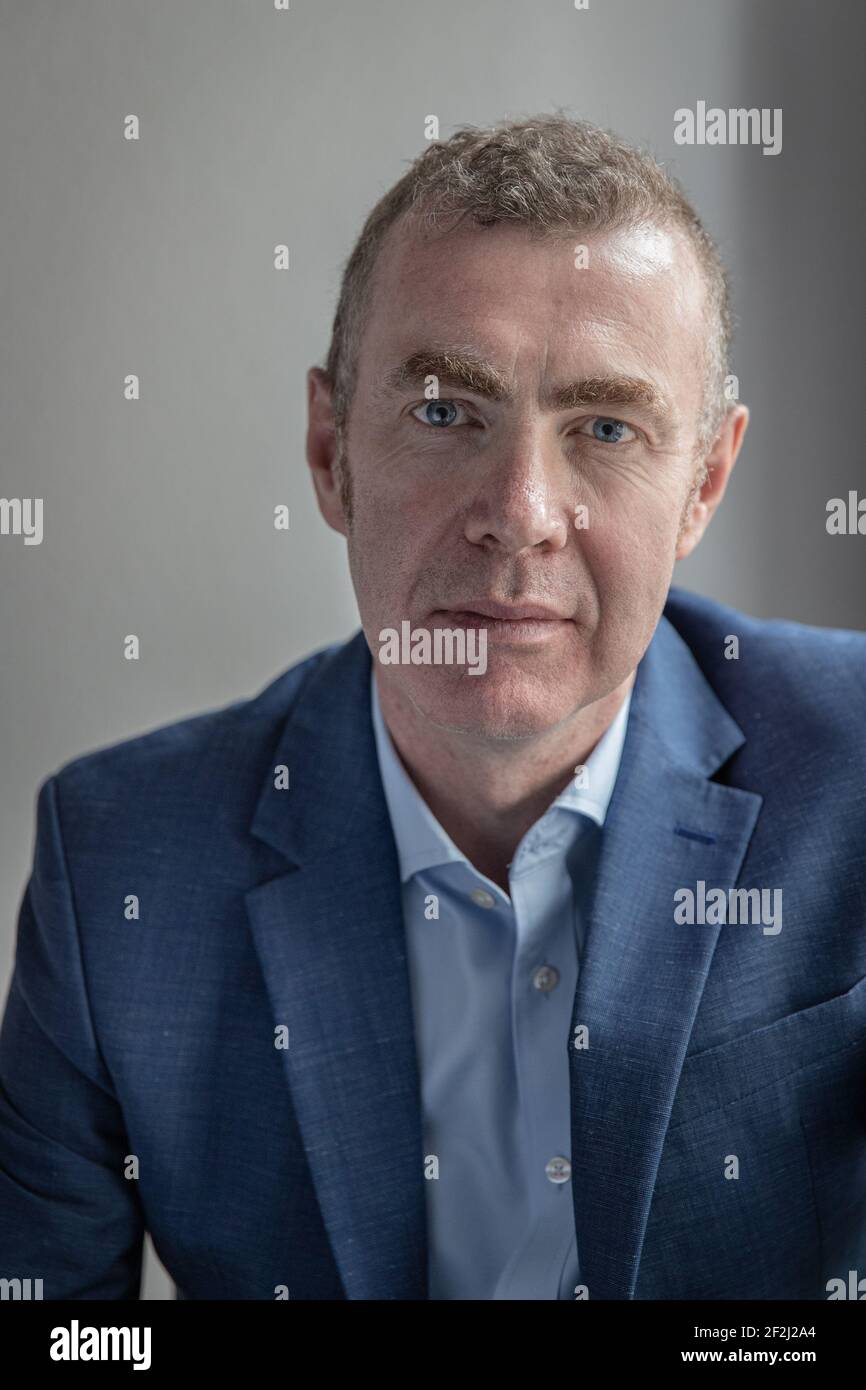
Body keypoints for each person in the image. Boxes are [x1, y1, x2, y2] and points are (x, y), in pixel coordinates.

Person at [2, 115, 864, 1301]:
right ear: (328, 451)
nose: (518, 512)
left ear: (702, 481)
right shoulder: (117, 866)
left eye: (603, 428)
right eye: (445, 411)